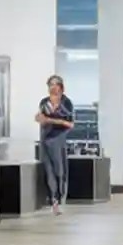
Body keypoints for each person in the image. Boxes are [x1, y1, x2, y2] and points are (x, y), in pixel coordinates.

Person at [36, 75, 75, 215]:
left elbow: (69, 123)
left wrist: (51, 120)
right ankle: (53, 200)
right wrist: (42, 119)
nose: (53, 87)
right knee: (48, 171)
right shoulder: (44, 102)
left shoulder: (66, 103)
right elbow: (40, 118)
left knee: (60, 170)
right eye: (50, 85)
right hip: (46, 139)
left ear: (61, 87)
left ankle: (61, 196)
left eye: (55, 84)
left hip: (58, 140)